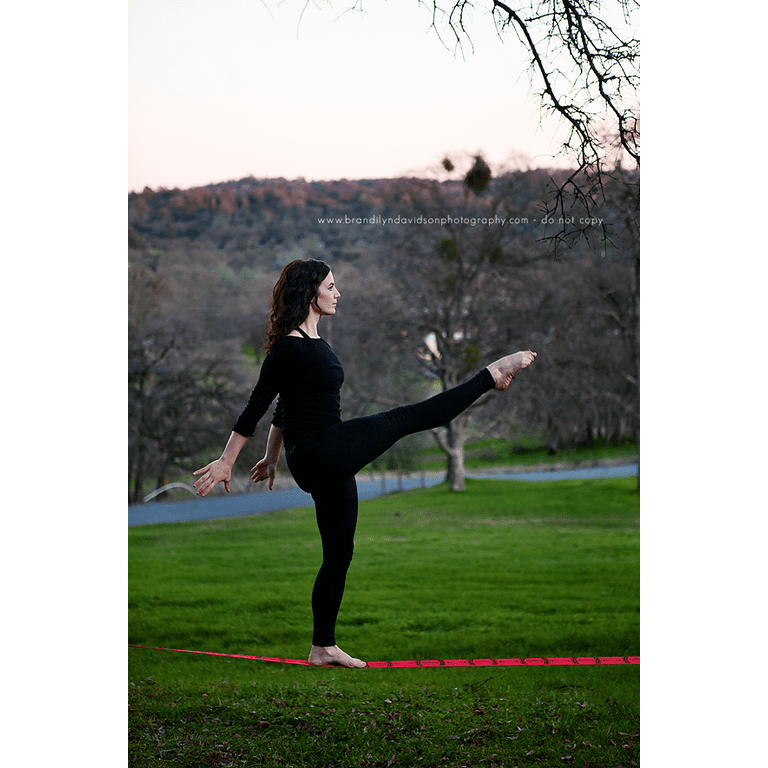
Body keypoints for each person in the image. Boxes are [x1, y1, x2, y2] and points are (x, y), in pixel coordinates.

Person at [193, 259, 536, 668]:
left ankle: (323, 647)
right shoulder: (288, 345)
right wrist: (227, 460)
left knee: (339, 554)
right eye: (331, 287)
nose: (338, 294)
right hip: (319, 450)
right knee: (403, 418)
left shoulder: (315, 343)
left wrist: (270, 458)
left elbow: (284, 408)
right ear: (310, 292)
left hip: (324, 458)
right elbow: (257, 405)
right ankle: (491, 375)